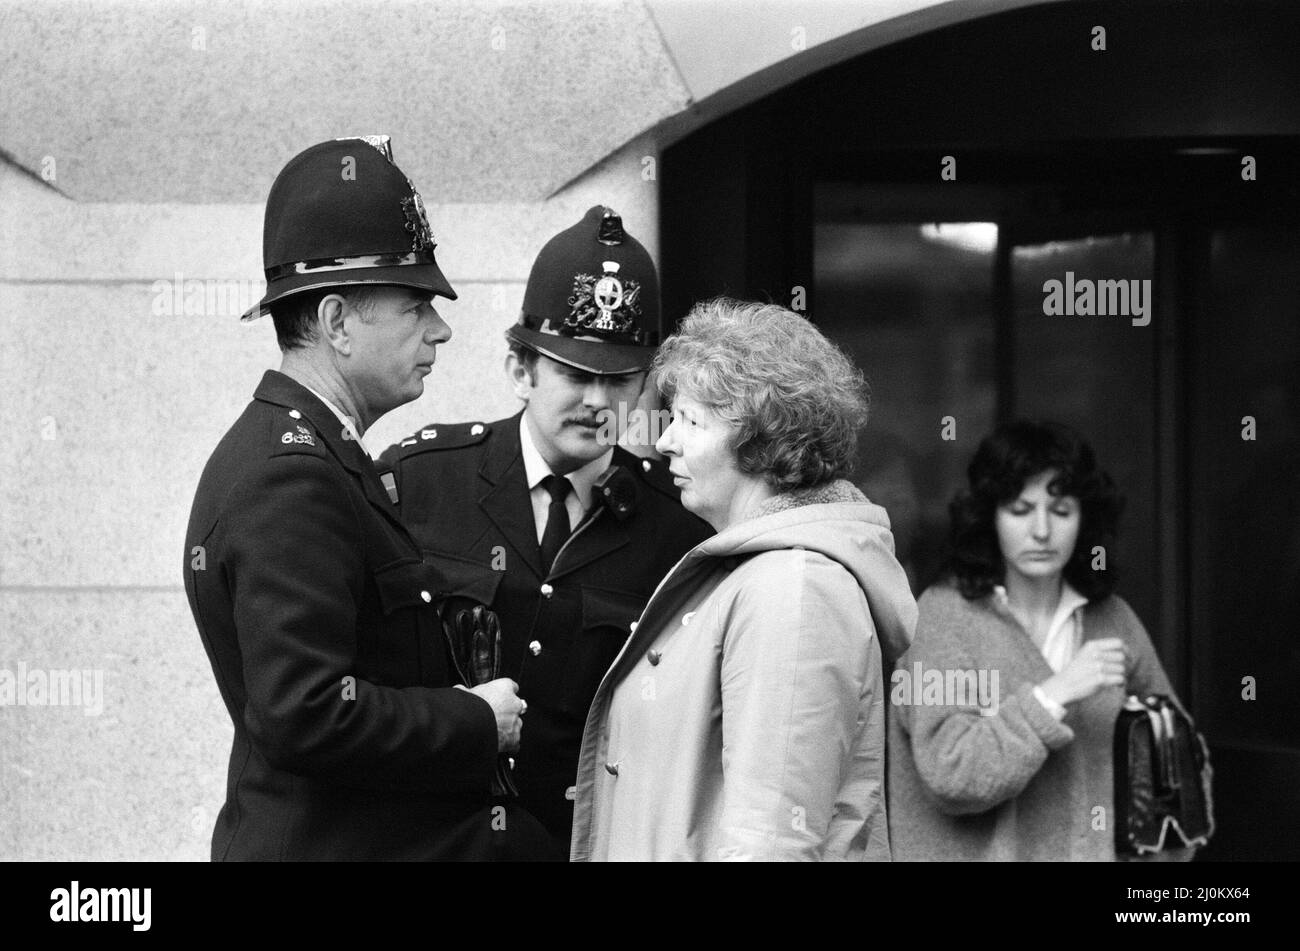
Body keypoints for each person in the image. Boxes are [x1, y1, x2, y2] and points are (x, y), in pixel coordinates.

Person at [184, 136, 545, 860]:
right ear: (337, 322)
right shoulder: (290, 475)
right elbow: (306, 712)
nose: (440, 329)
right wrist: (472, 720)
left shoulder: (318, 454)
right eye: (415, 306)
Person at [379, 206, 712, 858]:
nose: (597, 402)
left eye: (618, 380)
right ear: (519, 370)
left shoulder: (675, 532)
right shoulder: (420, 483)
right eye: (576, 373)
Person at [568, 298, 917, 862]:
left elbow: (770, 843)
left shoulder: (795, 588)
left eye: (690, 421)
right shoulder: (762, 572)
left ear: (761, 438)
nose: (664, 441)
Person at [887, 419, 1188, 861]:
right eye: (1020, 510)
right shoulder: (941, 618)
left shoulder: (1114, 620)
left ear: (1085, 519)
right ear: (989, 516)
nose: (1042, 531)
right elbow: (952, 775)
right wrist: (1055, 694)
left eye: (1061, 510)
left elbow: (1171, 763)